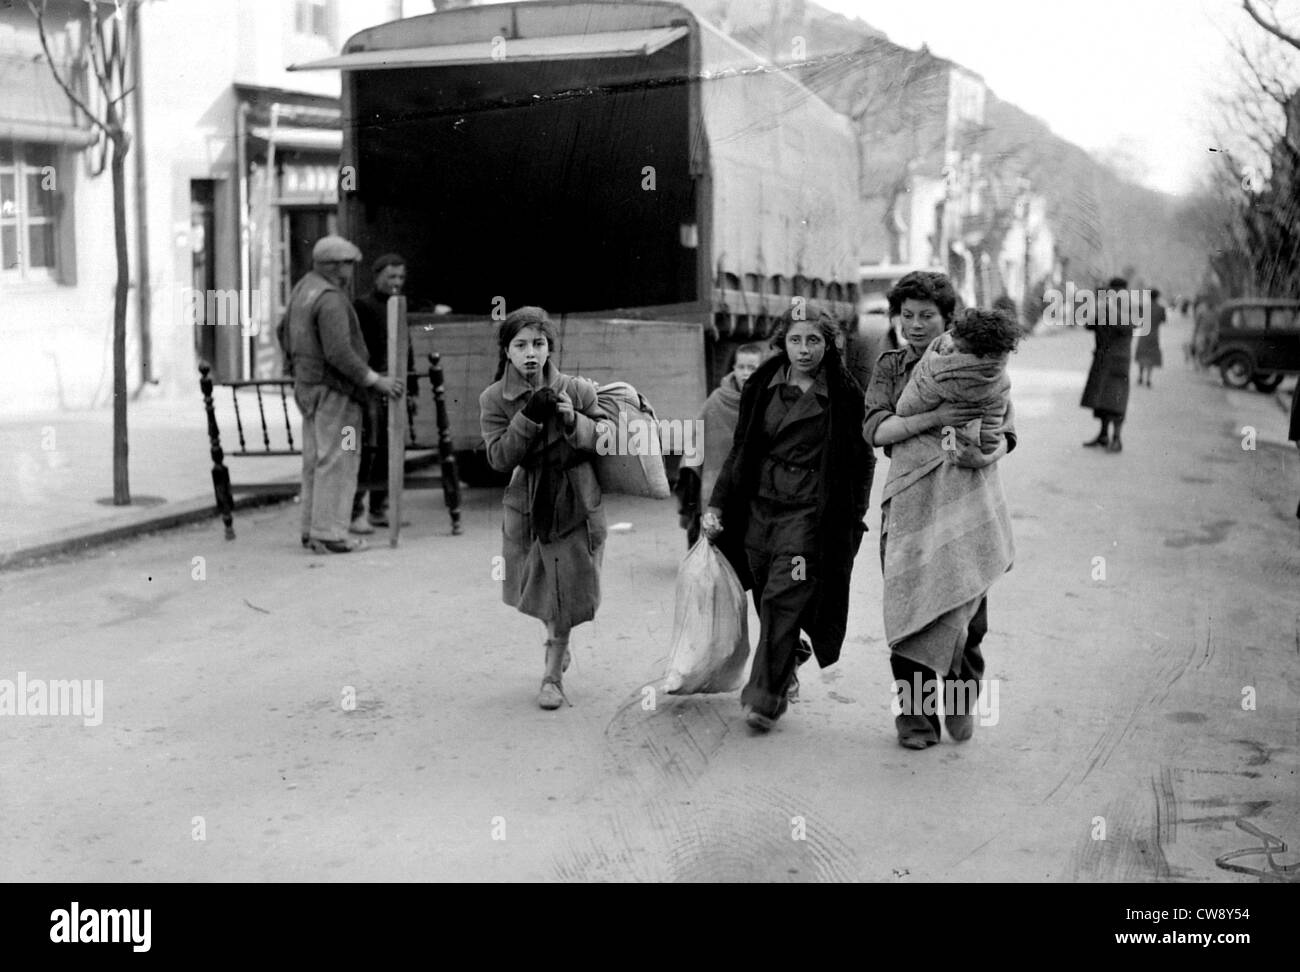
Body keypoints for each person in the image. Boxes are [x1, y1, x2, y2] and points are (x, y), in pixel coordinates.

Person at [863, 271, 1018, 749]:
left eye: (926, 316)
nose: (914, 325)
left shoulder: (982, 362)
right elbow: (875, 430)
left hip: (968, 503)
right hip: (910, 505)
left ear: (948, 320)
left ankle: (960, 698)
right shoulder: (890, 366)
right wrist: (935, 419)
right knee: (911, 611)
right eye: (906, 315)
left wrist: (984, 454)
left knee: (969, 616)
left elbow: (1005, 433)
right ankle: (915, 721)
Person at [702, 308, 873, 732]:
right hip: (760, 508)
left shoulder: (844, 394)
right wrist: (717, 504)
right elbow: (741, 450)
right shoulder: (763, 383)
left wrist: (854, 517)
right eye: (796, 339)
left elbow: (861, 460)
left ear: (828, 344)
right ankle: (788, 655)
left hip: (808, 513)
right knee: (764, 593)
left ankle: (765, 698)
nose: (804, 349)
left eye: (814, 340)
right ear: (783, 341)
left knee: (783, 595)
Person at [479, 307, 609, 710]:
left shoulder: (578, 389)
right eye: (520, 345)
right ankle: (558, 634)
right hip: (529, 499)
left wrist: (576, 422)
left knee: (565, 588)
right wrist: (528, 417)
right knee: (536, 588)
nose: (531, 353)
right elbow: (499, 458)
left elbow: (607, 439)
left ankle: (552, 675)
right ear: (507, 351)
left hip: (576, 498)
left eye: (539, 343)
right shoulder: (494, 399)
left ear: (550, 346)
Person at [277, 235, 405, 553]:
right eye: (348, 264)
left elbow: (283, 331)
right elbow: (339, 352)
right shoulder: (332, 299)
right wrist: (376, 380)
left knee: (315, 460)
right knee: (340, 458)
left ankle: (312, 529)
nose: (351, 270)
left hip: (307, 388)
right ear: (337, 267)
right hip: (336, 393)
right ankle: (331, 535)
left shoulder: (303, 288)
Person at [349, 253, 420, 534]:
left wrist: (411, 389)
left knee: (393, 450)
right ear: (377, 276)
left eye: (401, 277)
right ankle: (355, 511)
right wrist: (373, 380)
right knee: (367, 449)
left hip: (397, 387)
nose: (396, 283)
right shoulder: (362, 306)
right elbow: (358, 350)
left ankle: (379, 508)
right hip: (372, 387)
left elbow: (407, 349)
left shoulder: (399, 306)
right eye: (391, 276)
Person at [674, 343, 764, 547]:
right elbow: (696, 440)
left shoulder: (767, 401)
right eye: (741, 367)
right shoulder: (717, 401)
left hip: (754, 490)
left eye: (752, 368)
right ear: (733, 368)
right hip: (718, 489)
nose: (745, 374)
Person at [1080, 277, 1136, 453]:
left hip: (1113, 359)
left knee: (1111, 398)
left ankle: (1115, 439)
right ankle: (1106, 436)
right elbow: (1090, 325)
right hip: (1111, 359)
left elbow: (1126, 327)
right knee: (1107, 397)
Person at [1135, 288, 1166, 388]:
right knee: (1151, 356)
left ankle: (1140, 375)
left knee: (1142, 355)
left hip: (1144, 333)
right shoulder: (1161, 308)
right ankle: (1148, 378)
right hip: (1154, 334)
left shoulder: (1143, 307)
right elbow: (1163, 320)